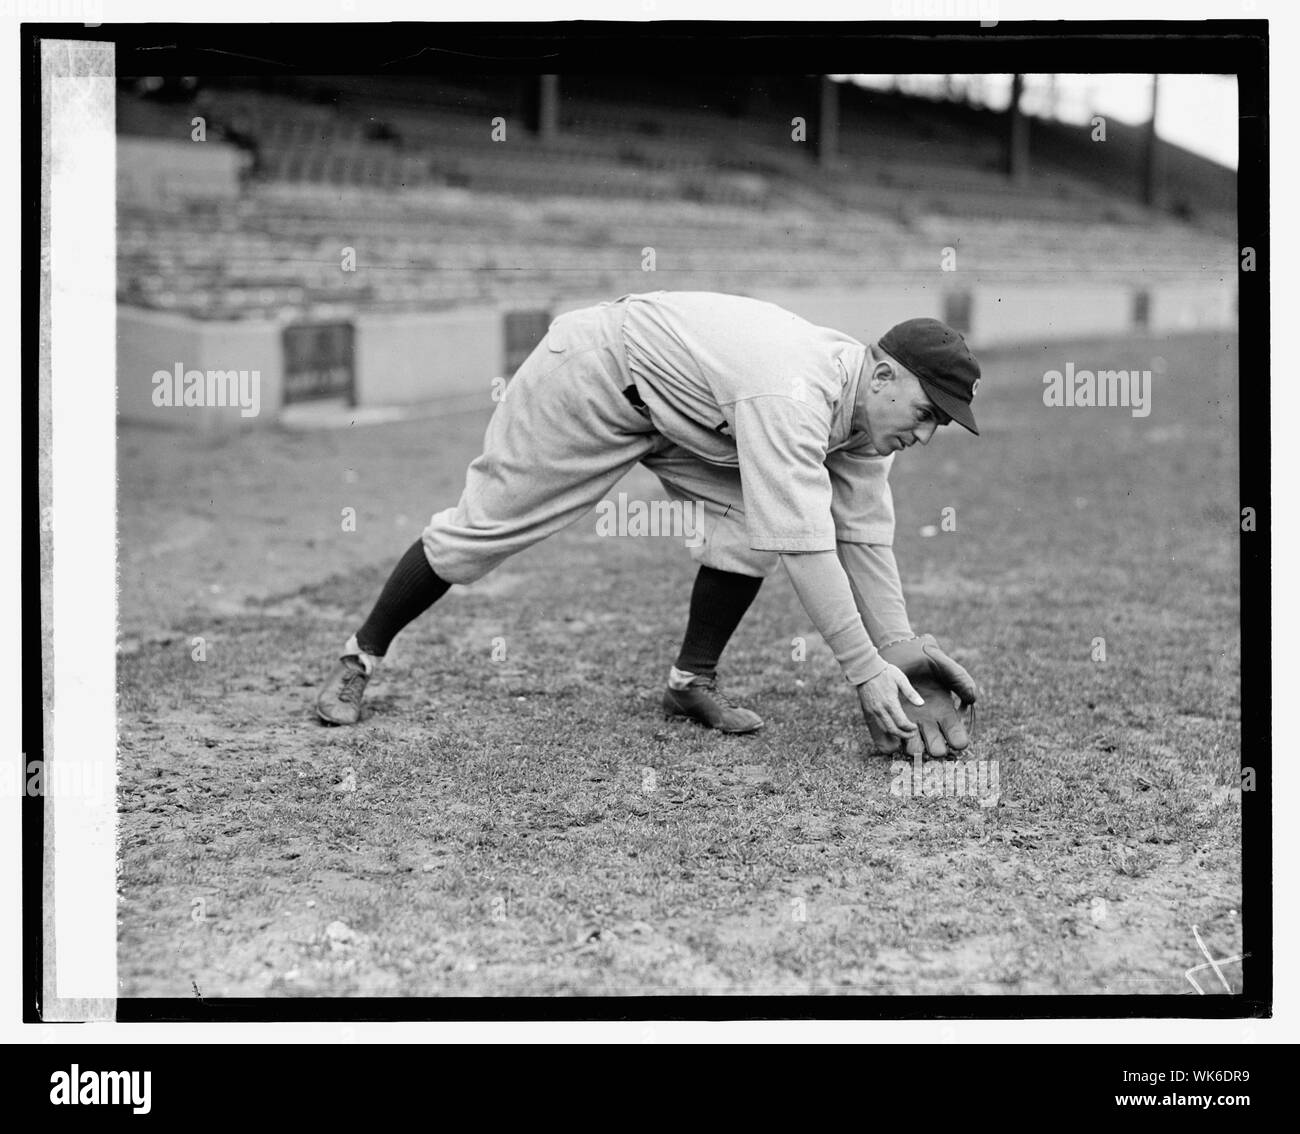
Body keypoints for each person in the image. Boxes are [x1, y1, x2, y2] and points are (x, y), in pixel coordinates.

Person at [316, 291, 980, 756]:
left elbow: (860, 535)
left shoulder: (865, 417)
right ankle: (360, 657)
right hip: (598, 374)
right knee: (481, 534)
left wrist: (896, 646)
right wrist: (865, 672)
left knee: (751, 528)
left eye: (938, 425)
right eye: (925, 413)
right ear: (885, 375)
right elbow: (807, 546)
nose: (925, 435)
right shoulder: (793, 391)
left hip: (688, 415)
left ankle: (690, 684)